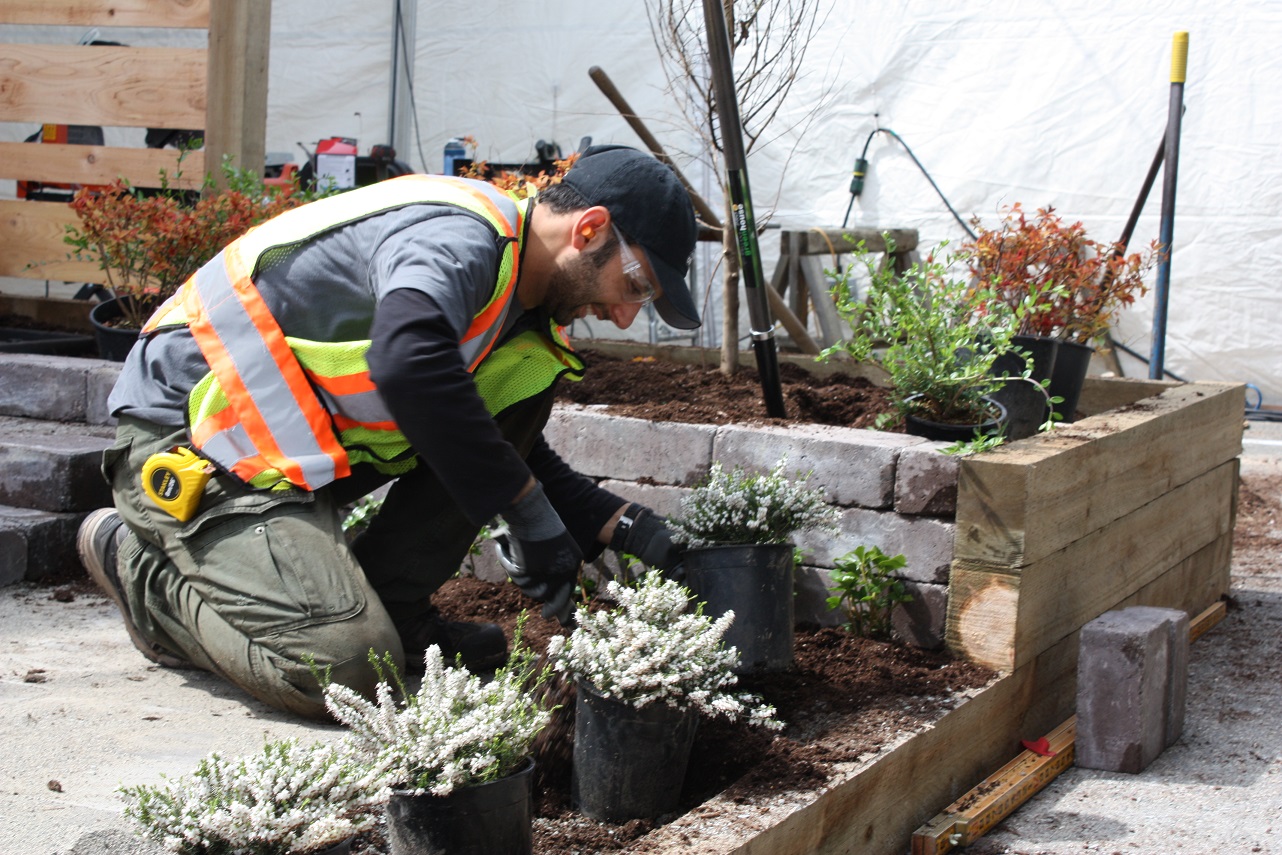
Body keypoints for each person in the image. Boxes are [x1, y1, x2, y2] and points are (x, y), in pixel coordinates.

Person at [76, 145, 697, 719]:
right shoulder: (459, 238)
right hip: (197, 442)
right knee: (353, 677)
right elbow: (409, 364)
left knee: (523, 391)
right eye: (636, 286)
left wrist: (627, 527)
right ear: (588, 230)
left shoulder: (523, 306)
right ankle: (138, 569)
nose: (623, 315)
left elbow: (496, 444)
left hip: (288, 456)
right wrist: (526, 516)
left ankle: (397, 616)